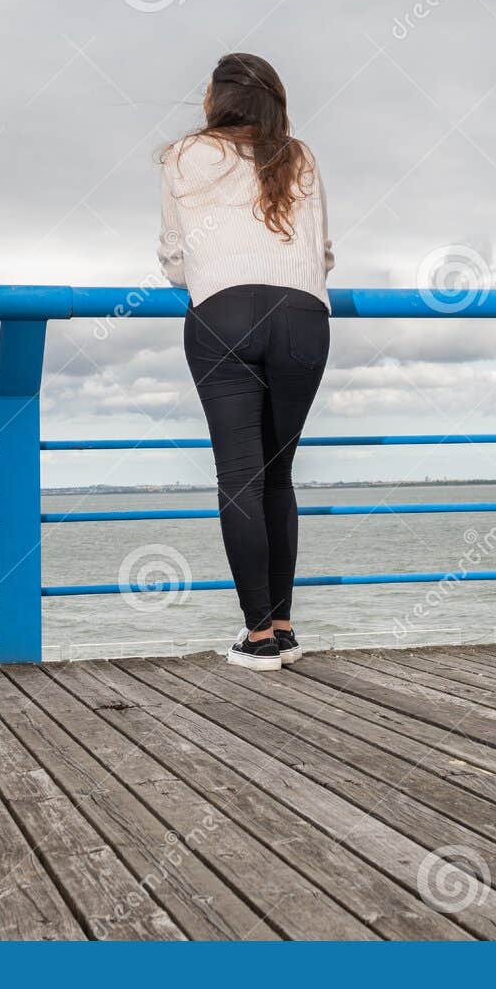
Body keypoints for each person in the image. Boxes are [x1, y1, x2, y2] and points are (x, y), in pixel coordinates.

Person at [158, 53, 334, 671]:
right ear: (274, 102)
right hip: (303, 315)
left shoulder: (184, 155)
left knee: (240, 476)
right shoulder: (300, 156)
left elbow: (176, 259)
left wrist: (212, 268)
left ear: (217, 101)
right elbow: (324, 254)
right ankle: (283, 627)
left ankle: (256, 637)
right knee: (278, 475)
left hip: (223, 316)